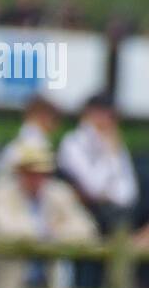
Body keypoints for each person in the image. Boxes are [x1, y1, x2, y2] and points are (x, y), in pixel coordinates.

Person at [0, 143, 96, 288]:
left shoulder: (58, 193)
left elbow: (86, 228)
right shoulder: (0, 191)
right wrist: (45, 233)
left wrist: (55, 235)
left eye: (42, 173)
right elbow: (4, 228)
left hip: (47, 284)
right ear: (19, 172)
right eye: (31, 172)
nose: (36, 178)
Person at [57, 93, 139, 233]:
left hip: (118, 213)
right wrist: (109, 155)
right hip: (83, 213)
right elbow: (93, 188)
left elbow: (128, 192)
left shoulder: (115, 144)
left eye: (112, 117)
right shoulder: (72, 143)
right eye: (105, 115)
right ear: (89, 114)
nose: (109, 121)